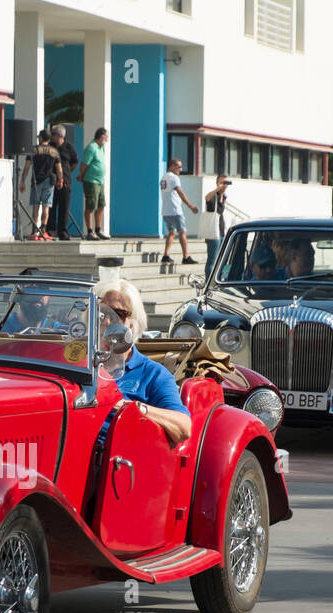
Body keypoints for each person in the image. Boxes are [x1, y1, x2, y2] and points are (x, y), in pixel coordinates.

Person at [93, 279, 191, 444]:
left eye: (118, 314)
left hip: (117, 452)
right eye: (102, 313)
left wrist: (130, 407)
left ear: (133, 324)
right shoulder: (79, 364)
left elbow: (183, 427)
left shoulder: (153, 373)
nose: (107, 322)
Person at [20, 129, 63, 241]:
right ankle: (43, 231)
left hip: (36, 181)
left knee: (36, 207)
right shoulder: (54, 151)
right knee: (46, 207)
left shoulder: (34, 150)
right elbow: (59, 169)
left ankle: (34, 232)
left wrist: (22, 180)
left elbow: (27, 167)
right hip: (49, 181)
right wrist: (60, 180)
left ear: (41, 138)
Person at [160, 159, 199, 267]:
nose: (181, 170)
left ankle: (166, 255)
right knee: (182, 232)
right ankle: (186, 256)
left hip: (166, 211)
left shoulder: (164, 177)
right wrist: (191, 206)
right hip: (175, 210)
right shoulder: (174, 178)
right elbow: (180, 192)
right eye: (179, 167)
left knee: (172, 232)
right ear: (172, 166)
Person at [77, 127, 109, 240]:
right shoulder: (91, 147)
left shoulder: (101, 148)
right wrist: (81, 175)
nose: (107, 140)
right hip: (91, 181)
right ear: (102, 137)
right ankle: (90, 231)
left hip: (100, 181)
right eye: (107, 137)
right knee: (91, 206)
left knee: (101, 205)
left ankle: (98, 229)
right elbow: (84, 164)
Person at [50, 125, 78, 240]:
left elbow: (75, 162)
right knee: (51, 207)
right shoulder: (50, 146)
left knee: (64, 207)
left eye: (53, 134)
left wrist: (67, 172)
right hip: (52, 181)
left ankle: (62, 231)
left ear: (60, 136)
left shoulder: (69, 147)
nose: (51, 136)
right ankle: (50, 230)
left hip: (65, 181)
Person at [203, 175, 231, 272]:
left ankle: (220, 278)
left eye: (226, 183)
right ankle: (208, 279)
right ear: (217, 183)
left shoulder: (224, 196)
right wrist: (217, 189)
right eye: (222, 182)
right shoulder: (214, 195)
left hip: (221, 231)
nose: (224, 185)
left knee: (222, 260)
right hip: (213, 232)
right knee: (212, 260)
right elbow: (206, 198)